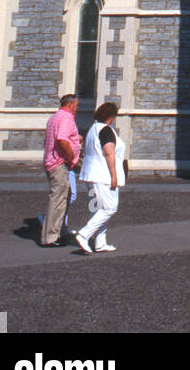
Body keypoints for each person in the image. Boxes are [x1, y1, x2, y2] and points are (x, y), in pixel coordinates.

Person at [75, 101, 127, 253]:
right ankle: (84, 234)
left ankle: (100, 242)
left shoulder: (93, 129)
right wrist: (114, 175)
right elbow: (109, 153)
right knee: (110, 208)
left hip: (90, 175)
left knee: (96, 209)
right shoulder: (106, 130)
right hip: (102, 176)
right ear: (111, 116)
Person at [40, 94, 81, 246]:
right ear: (70, 105)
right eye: (76, 105)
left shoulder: (55, 117)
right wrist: (70, 156)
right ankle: (50, 237)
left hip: (52, 162)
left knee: (65, 197)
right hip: (59, 164)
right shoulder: (66, 118)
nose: (77, 108)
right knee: (58, 200)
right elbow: (62, 140)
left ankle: (59, 229)